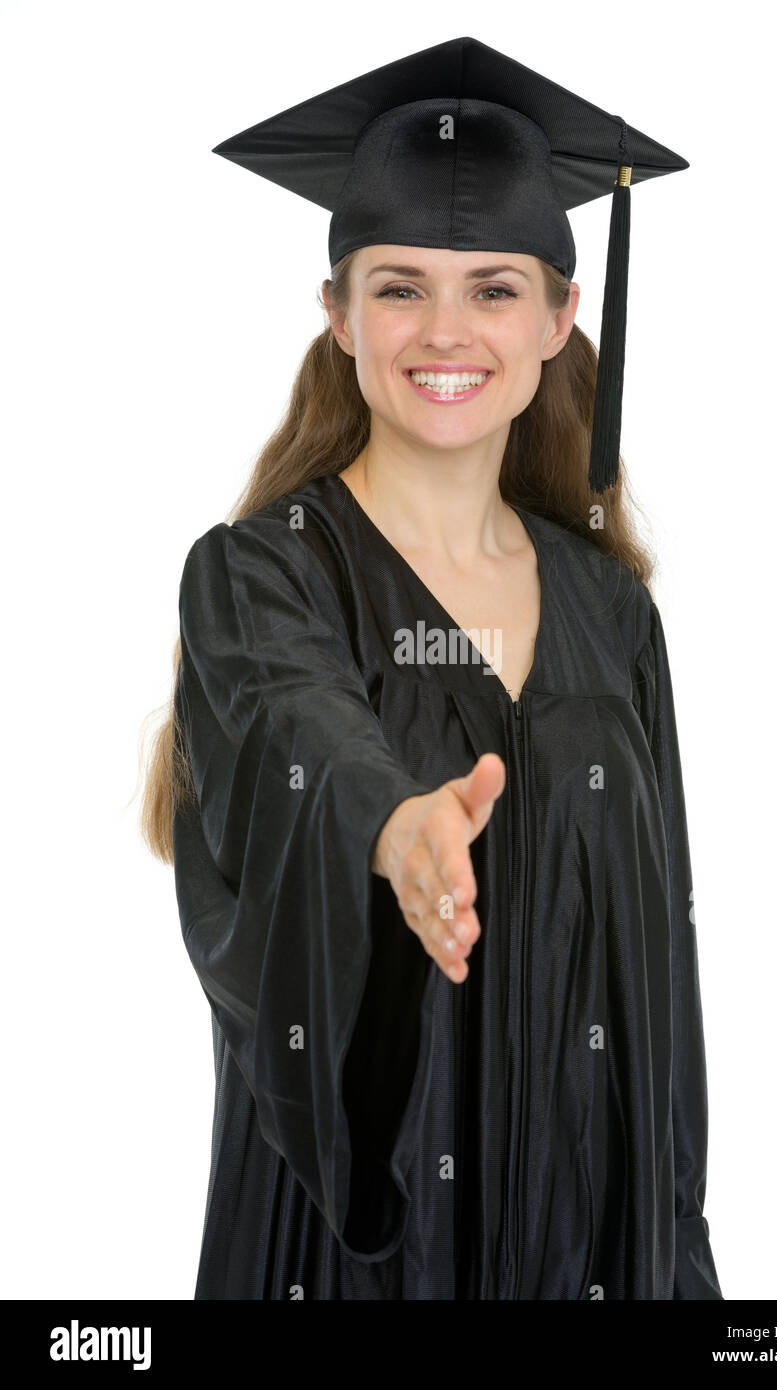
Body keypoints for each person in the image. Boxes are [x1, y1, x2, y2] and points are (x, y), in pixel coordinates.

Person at [140, 37, 724, 1300]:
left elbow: (665, 981)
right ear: (340, 315)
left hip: (586, 1249)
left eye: (495, 289)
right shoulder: (265, 575)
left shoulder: (611, 612)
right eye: (399, 286)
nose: (446, 331)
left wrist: (681, 1262)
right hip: (359, 1251)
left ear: (563, 318)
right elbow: (306, 725)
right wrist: (398, 826)